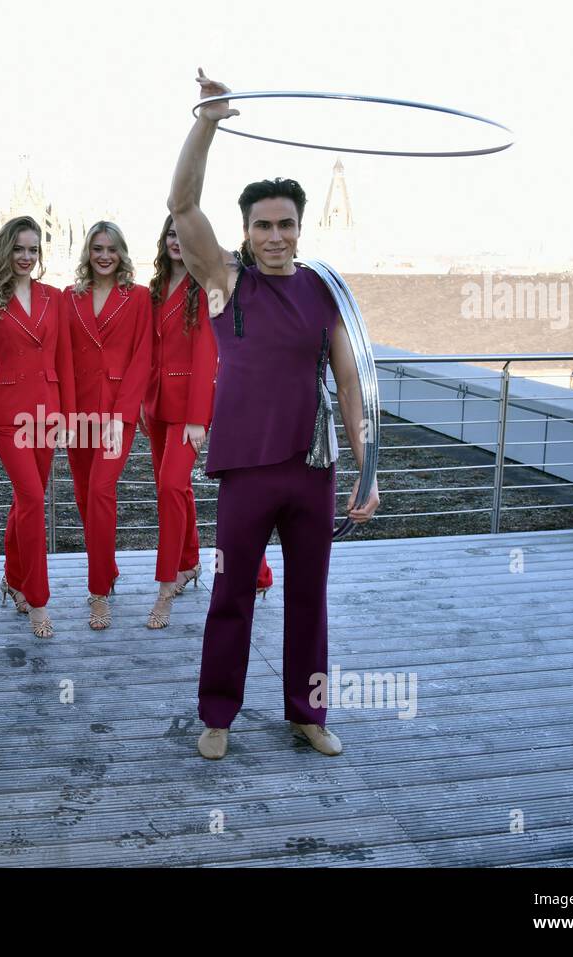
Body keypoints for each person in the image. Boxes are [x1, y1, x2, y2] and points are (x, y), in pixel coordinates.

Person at [167, 68, 380, 760]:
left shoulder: (324, 289)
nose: (276, 235)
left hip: (312, 469)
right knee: (232, 592)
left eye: (286, 223)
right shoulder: (227, 282)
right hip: (246, 471)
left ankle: (307, 713)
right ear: (246, 231)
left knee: (309, 596)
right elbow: (181, 203)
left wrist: (366, 466)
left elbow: (349, 382)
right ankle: (218, 715)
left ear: (300, 226)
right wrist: (210, 120)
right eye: (264, 225)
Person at [140, 216, 275, 629]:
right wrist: (145, 404)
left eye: (184, 236)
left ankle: (166, 586)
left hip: (189, 410)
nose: (176, 241)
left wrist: (198, 418)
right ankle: (189, 563)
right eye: (170, 234)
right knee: (176, 489)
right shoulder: (154, 289)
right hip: (158, 406)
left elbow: (205, 354)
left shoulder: (206, 290)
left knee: (170, 486)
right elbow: (148, 351)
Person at [0, 216, 76, 639]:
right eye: (19, 249)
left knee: (25, 502)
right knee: (33, 498)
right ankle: (37, 599)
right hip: (8, 417)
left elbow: (65, 360)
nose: (26, 257)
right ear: (5, 251)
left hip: (48, 414)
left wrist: (67, 416)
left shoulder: (55, 298)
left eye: (33, 250)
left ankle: (12, 578)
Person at [63, 222, 154, 630]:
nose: (104, 256)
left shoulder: (138, 298)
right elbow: (61, 357)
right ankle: (109, 567)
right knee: (85, 498)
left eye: (111, 249)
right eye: (97, 248)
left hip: (117, 410)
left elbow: (142, 358)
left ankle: (98, 591)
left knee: (101, 491)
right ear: (88, 252)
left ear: (122, 253)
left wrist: (123, 414)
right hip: (78, 411)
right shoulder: (71, 297)